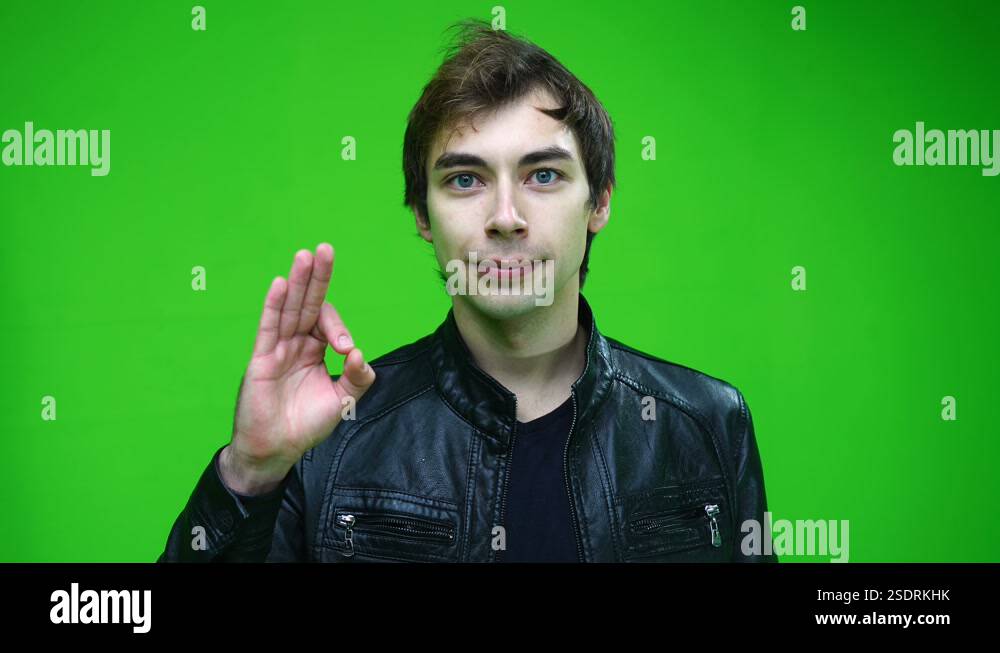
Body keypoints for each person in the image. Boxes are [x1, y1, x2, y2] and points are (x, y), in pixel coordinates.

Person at [158, 19, 775, 563]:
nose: (506, 215)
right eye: (464, 179)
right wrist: (249, 474)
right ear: (422, 216)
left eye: (543, 175)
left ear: (600, 200)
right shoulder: (330, 436)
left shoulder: (707, 423)